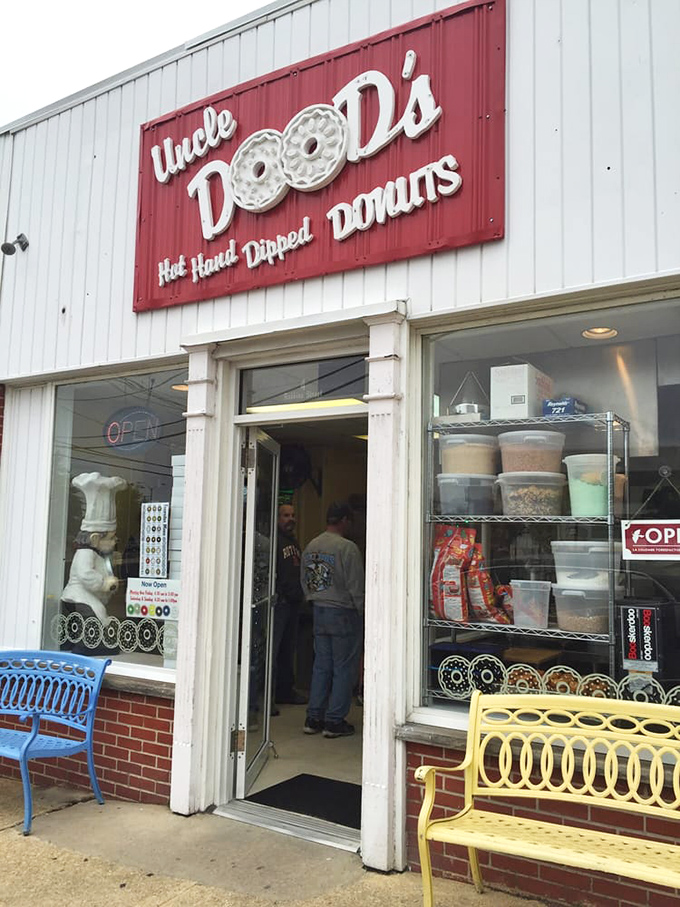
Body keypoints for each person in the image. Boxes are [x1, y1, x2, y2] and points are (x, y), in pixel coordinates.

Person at [300, 501, 364, 738]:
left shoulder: (312, 545)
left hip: (319, 610)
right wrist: (364, 611)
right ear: (345, 520)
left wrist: (312, 599)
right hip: (344, 612)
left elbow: (304, 579)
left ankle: (313, 716)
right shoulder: (347, 548)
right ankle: (334, 720)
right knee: (343, 667)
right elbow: (356, 585)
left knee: (321, 666)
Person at [272, 503, 307, 707]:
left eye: (293, 515)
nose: (290, 519)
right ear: (277, 518)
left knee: (288, 651)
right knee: (274, 652)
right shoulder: (274, 542)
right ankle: (269, 697)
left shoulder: (293, 542)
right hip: (280, 603)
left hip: (293, 604)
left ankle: (285, 691)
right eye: (286, 515)